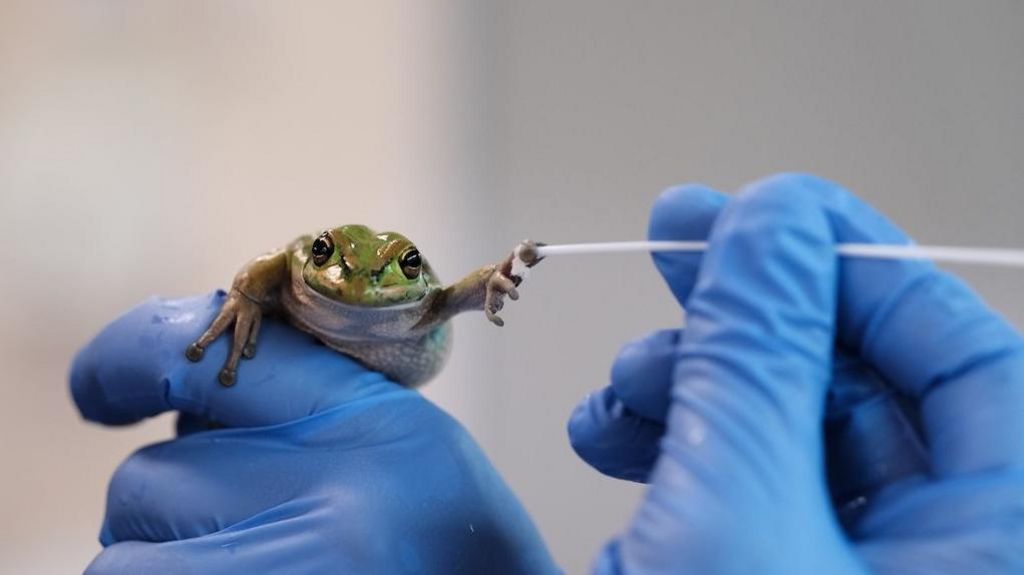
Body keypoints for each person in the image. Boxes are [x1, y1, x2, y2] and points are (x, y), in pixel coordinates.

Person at [71, 174, 1024, 574]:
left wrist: (492, 280)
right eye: (329, 255)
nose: (358, 276)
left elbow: (447, 295)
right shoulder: (292, 271)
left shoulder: (421, 295)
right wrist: (244, 303)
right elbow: (270, 271)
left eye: (391, 268)